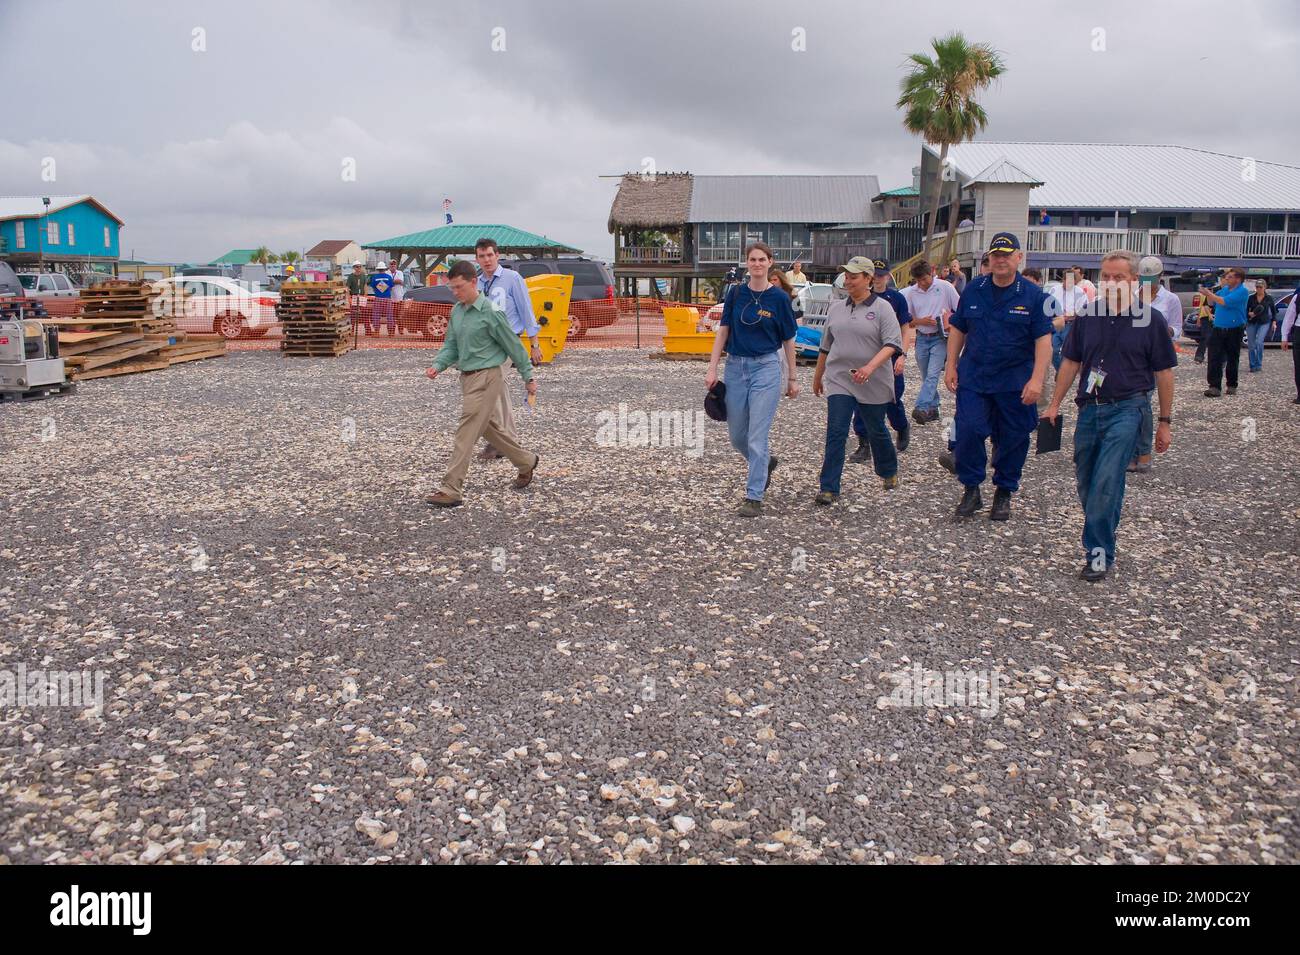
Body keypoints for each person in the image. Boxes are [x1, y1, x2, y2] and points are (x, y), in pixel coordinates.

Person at [1043, 249, 1176, 582]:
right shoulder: (1088, 316)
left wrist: (1164, 422)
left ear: (1134, 281)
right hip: (1090, 409)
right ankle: (1103, 535)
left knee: (1106, 481)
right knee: (1089, 483)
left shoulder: (1151, 320)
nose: (1111, 283)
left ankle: (1098, 553)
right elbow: (1071, 362)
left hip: (1129, 408)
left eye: (1119, 277)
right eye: (1106, 277)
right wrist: (1055, 404)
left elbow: (1164, 373)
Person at [945, 232, 1054, 521]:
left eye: (1007, 255)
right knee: (967, 430)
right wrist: (950, 364)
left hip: (1015, 382)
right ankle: (971, 488)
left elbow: (1044, 341)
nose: (1001, 260)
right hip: (975, 378)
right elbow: (958, 328)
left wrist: (1037, 380)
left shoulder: (1034, 296)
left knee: (1013, 438)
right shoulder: (974, 289)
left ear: (1019, 257)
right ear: (989, 259)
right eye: (996, 255)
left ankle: (1004, 492)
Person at [423, 260, 539, 507]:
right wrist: (439, 364)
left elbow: (513, 346)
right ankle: (526, 461)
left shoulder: (491, 312)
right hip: (466, 378)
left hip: (488, 377)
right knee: (488, 427)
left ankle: (451, 488)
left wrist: (528, 376)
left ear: (473, 282)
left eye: (458, 287)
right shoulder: (457, 311)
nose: (455, 293)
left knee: (466, 431)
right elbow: (451, 346)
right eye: (451, 288)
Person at [705, 242, 799, 517]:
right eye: (752, 259)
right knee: (737, 437)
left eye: (762, 259)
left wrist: (792, 377)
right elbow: (723, 331)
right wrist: (712, 368)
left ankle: (753, 495)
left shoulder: (780, 299)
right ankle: (765, 463)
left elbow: (789, 340)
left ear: (770, 263)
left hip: (766, 368)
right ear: (747, 263)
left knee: (757, 436)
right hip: (735, 368)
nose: (757, 264)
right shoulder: (736, 294)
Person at [812, 257, 903, 503]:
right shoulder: (836, 308)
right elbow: (825, 346)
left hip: (873, 380)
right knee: (836, 431)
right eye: (846, 276)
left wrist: (870, 367)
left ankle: (887, 469)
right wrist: (818, 376)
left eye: (854, 276)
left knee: (876, 429)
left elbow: (893, 344)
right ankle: (829, 487)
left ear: (868, 279)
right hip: (840, 377)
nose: (848, 280)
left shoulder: (883, 308)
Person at [475, 238, 542, 460]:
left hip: (507, 341)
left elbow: (526, 311)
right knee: (494, 391)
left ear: (497, 255)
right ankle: (503, 441)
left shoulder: (512, 279)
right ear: (477, 258)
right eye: (482, 256)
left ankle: (504, 441)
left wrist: (534, 345)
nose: (486, 260)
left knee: (494, 389)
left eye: (490, 255)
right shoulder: (477, 283)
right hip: (485, 344)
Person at [849, 260, 913, 461]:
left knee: (891, 400)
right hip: (864, 357)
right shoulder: (860, 298)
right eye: (874, 275)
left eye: (881, 275)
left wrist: (902, 355)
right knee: (860, 401)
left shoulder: (896, 299)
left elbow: (906, 328)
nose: (877, 279)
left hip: (890, 357)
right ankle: (864, 443)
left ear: (887, 276)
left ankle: (901, 427)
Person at [1129, 259, 1183, 473]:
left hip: (1155, 358)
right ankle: (1133, 452)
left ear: (1160, 276)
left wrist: (1165, 331)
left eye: (1151, 278)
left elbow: (1177, 327)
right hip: (1132, 357)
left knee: (1143, 405)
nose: (1147, 282)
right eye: (1143, 278)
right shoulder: (1131, 297)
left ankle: (1142, 453)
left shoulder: (1171, 299)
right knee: (1133, 405)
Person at [903, 259, 959, 427]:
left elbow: (959, 308)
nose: (922, 284)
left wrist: (949, 321)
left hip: (940, 338)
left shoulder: (945, 287)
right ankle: (934, 407)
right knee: (926, 375)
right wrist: (921, 321)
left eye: (924, 279)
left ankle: (922, 406)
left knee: (933, 373)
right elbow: (908, 320)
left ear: (932, 273)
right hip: (921, 336)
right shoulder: (911, 293)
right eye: (918, 281)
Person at [1200, 266, 1249, 396]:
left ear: (1238, 279)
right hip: (1218, 327)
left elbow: (1224, 302)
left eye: (1230, 276)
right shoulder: (1225, 289)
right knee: (1214, 356)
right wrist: (1208, 292)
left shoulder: (1242, 291)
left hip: (1234, 328)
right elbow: (1212, 303)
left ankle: (1232, 384)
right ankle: (1214, 386)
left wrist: (1210, 294)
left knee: (1232, 357)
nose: (1227, 278)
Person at [1049, 268, 1089, 374]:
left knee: (1067, 352)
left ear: (1075, 281)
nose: (1068, 283)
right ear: (1063, 279)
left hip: (1070, 325)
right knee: (1053, 350)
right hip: (1056, 323)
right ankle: (1061, 372)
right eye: (1066, 280)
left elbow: (1083, 311)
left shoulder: (1080, 293)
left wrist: (1069, 316)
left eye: (1071, 281)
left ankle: (1062, 374)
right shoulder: (1054, 290)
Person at [1245, 279, 1277, 373]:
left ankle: (1258, 363)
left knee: (1259, 342)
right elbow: (1245, 310)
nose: (1258, 289)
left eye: (1260, 287)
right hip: (1252, 322)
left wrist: (1274, 322)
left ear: (1264, 287)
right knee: (1251, 344)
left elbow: (1274, 311)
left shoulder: (1269, 298)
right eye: (1257, 287)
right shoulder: (1251, 298)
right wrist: (1249, 314)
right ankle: (1252, 364)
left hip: (1264, 322)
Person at [367, 261, 396, 336]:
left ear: (378, 269)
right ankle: (391, 332)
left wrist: (379, 291)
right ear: (384, 269)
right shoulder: (389, 277)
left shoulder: (374, 277)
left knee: (376, 315)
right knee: (389, 315)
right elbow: (391, 288)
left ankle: (377, 332)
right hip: (387, 298)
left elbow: (373, 288)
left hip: (378, 298)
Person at [1281, 290, 1299, 403]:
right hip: (1299, 330)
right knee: (1298, 365)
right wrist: (1284, 337)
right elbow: (1289, 317)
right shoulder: (1298, 297)